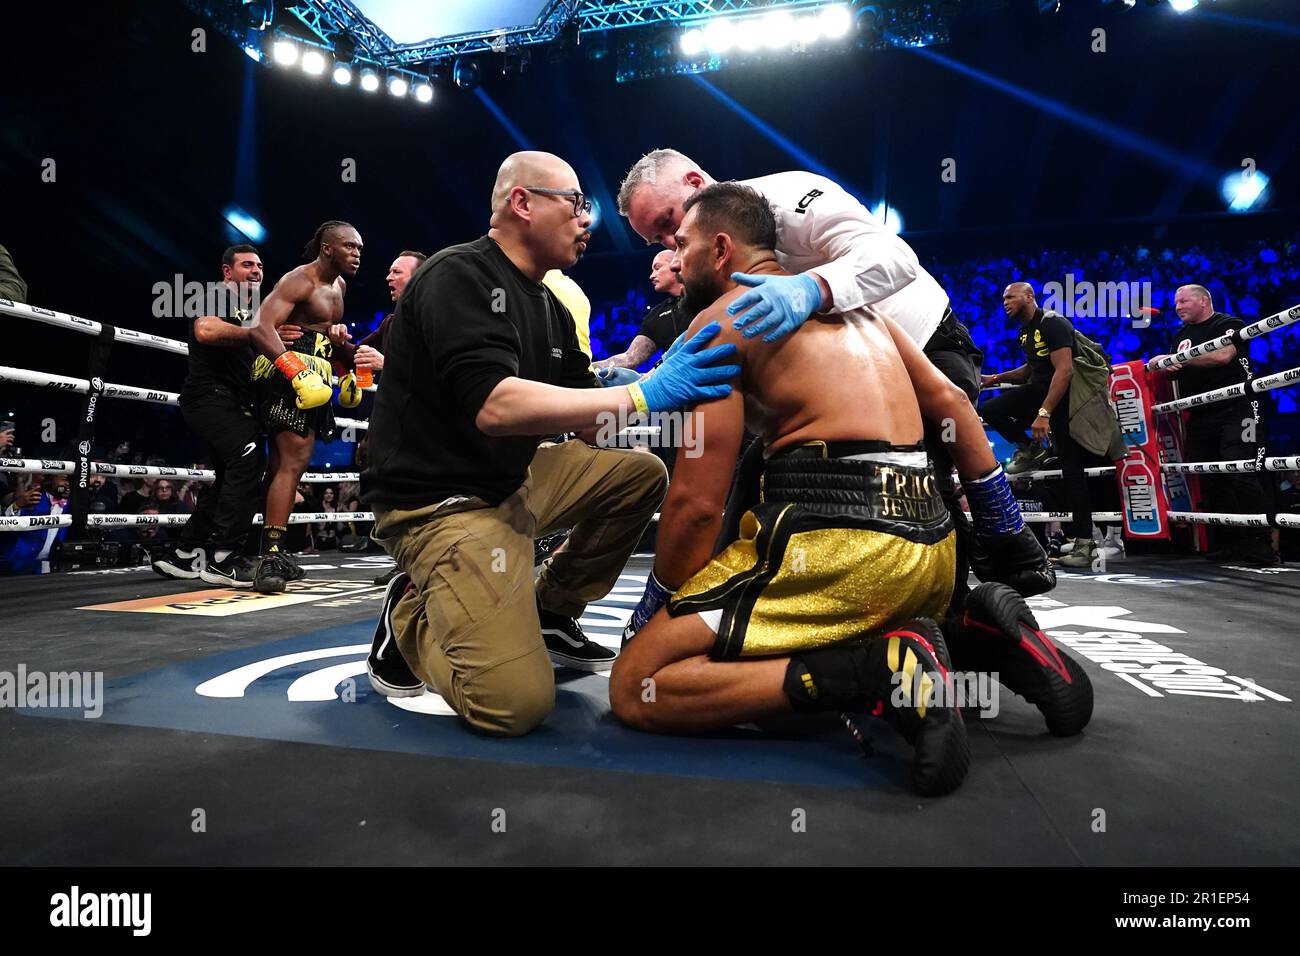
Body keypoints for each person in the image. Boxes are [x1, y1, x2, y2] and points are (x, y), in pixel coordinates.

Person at [610, 184, 1090, 795]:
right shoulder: (871, 315)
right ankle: (977, 631)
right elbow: (951, 405)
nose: (674, 260)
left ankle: (874, 672)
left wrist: (661, 605)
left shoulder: (721, 322)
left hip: (833, 545)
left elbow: (698, 504)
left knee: (640, 684)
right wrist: (1004, 526)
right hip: (935, 552)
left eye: (680, 244)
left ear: (723, 248)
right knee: (830, 621)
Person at [360, 150, 738, 737]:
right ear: (522, 202)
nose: (587, 221)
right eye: (576, 204)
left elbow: (590, 424)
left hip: (512, 482)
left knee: (639, 474)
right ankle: (410, 611)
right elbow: (496, 406)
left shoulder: (550, 306)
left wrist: (680, 407)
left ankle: (552, 609)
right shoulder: (459, 275)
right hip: (439, 503)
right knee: (513, 705)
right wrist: (647, 394)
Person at [617, 149, 988, 612]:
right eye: (660, 241)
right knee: (752, 476)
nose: (672, 245)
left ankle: (964, 613)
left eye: (669, 223)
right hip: (853, 384)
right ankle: (728, 609)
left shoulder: (788, 197)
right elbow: (716, 336)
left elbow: (897, 259)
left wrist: (813, 286)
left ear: (694, 182)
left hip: (925, 346)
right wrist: (647, 383)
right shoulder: (715, 255)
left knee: (916, 478)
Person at [248, 221, 363, 593]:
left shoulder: (339, 287)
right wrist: (295, 371)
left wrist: (351, 371)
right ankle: (270, 558)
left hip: (317, 376)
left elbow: (329, 341)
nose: (357, 254)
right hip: (289, 377)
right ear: (327, 248)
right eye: (349, 246)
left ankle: (271, 550)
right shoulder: (299, 281)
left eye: (359, 248)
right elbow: (260, 328)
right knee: (292, 463)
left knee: (286, 467)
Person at [152, 244, 270, 587]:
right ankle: (223, 558)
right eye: (248, 264)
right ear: (227, 272)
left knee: (231, 475)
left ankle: (186, 552)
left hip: (232, 403)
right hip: (209, 398)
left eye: (260, 266)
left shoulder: (252, 312)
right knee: (248, 460)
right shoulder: (216, 296)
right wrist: (258, 334)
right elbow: (205, 330)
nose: (257, 270)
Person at [1150, 284, 1277, 565]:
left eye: (1184, 300)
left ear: (1204, 300)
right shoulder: (1181, 335)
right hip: (1200, 413)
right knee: (1212, 477)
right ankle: (1230, 542)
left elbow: (1223, 355)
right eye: (1176, 302)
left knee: (1241, 470)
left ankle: (1261, 543)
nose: (1178, 306)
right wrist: (1164, 363)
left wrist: (1179, 360)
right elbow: (1174, 372)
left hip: (1238, 407)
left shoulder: (1228, 323)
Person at [979, 283, 1096, 568]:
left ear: (1029, 297)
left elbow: (1064, 370)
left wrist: (1044, 413)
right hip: (1041, 391)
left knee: (1071, 469)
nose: (1004, 302)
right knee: (992, 409)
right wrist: (994, 379)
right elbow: (1031, 370)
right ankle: (1030, 447)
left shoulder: (1052, 323)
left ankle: (1085, 543)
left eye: (1010, 296)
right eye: (1003, 297)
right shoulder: (1025, 331)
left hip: (1065, 400)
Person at [593, 249, 688, 371]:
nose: (652, 275)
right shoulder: (655, 315)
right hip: (676, 383)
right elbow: (630, 359)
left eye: (657, 268)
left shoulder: (709, 298)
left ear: (676, 264)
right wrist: (587, 368)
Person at [353, 250, 426, 376]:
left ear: (417, 278)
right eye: (390, 272)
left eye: (397, 272)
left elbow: (439, 375)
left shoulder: (436, 322)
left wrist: (386, 364)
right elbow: (356, 355)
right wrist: (338, 341)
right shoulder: (390, 323)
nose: (388, 278)